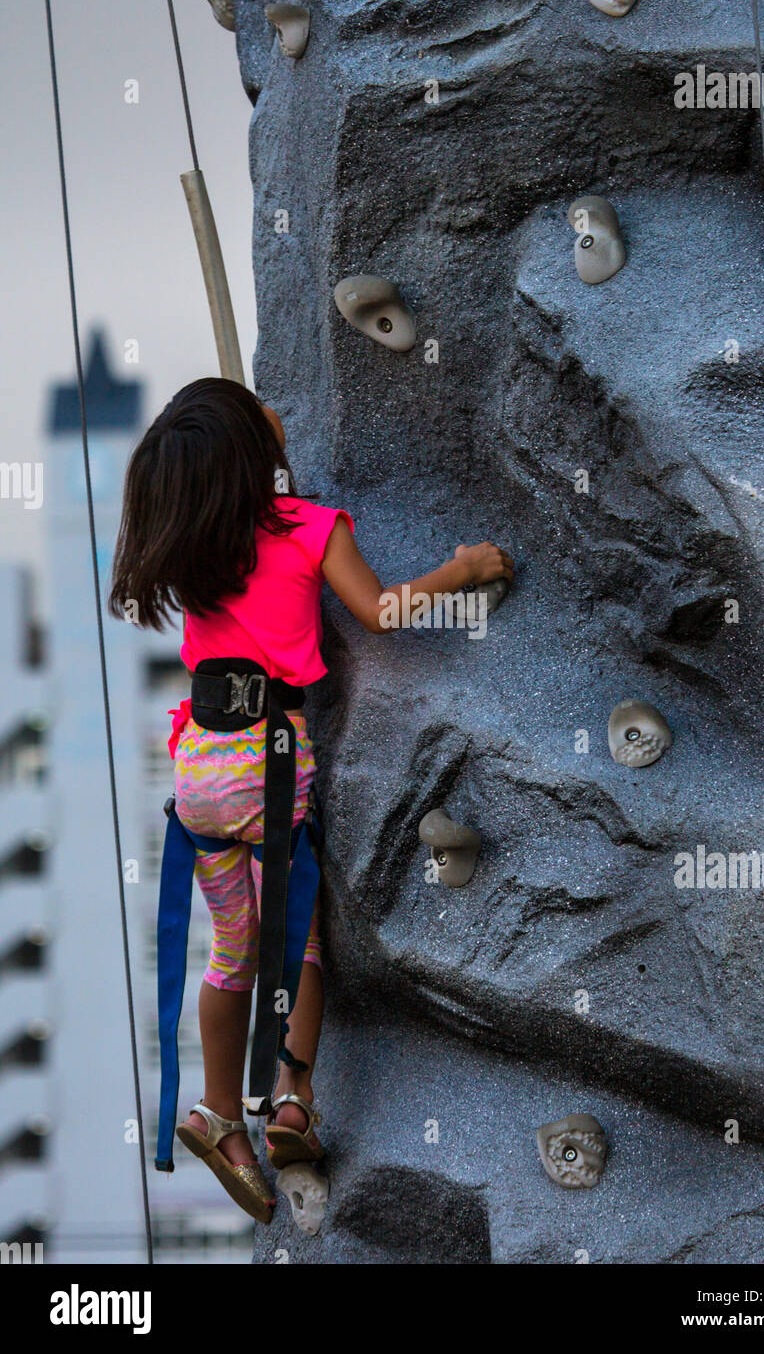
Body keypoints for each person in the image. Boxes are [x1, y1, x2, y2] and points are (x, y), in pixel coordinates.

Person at [109, 377, 513, 1221]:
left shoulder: (193, 546)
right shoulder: (305, 529)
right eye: (254, 414)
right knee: (301, 945)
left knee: (232, 947)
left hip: (199, 772)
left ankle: (218, 1110)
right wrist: (465, 568)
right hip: (269, 765)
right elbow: (381, 611)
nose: (272, 410)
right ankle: (291, 1101)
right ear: (253, 456)